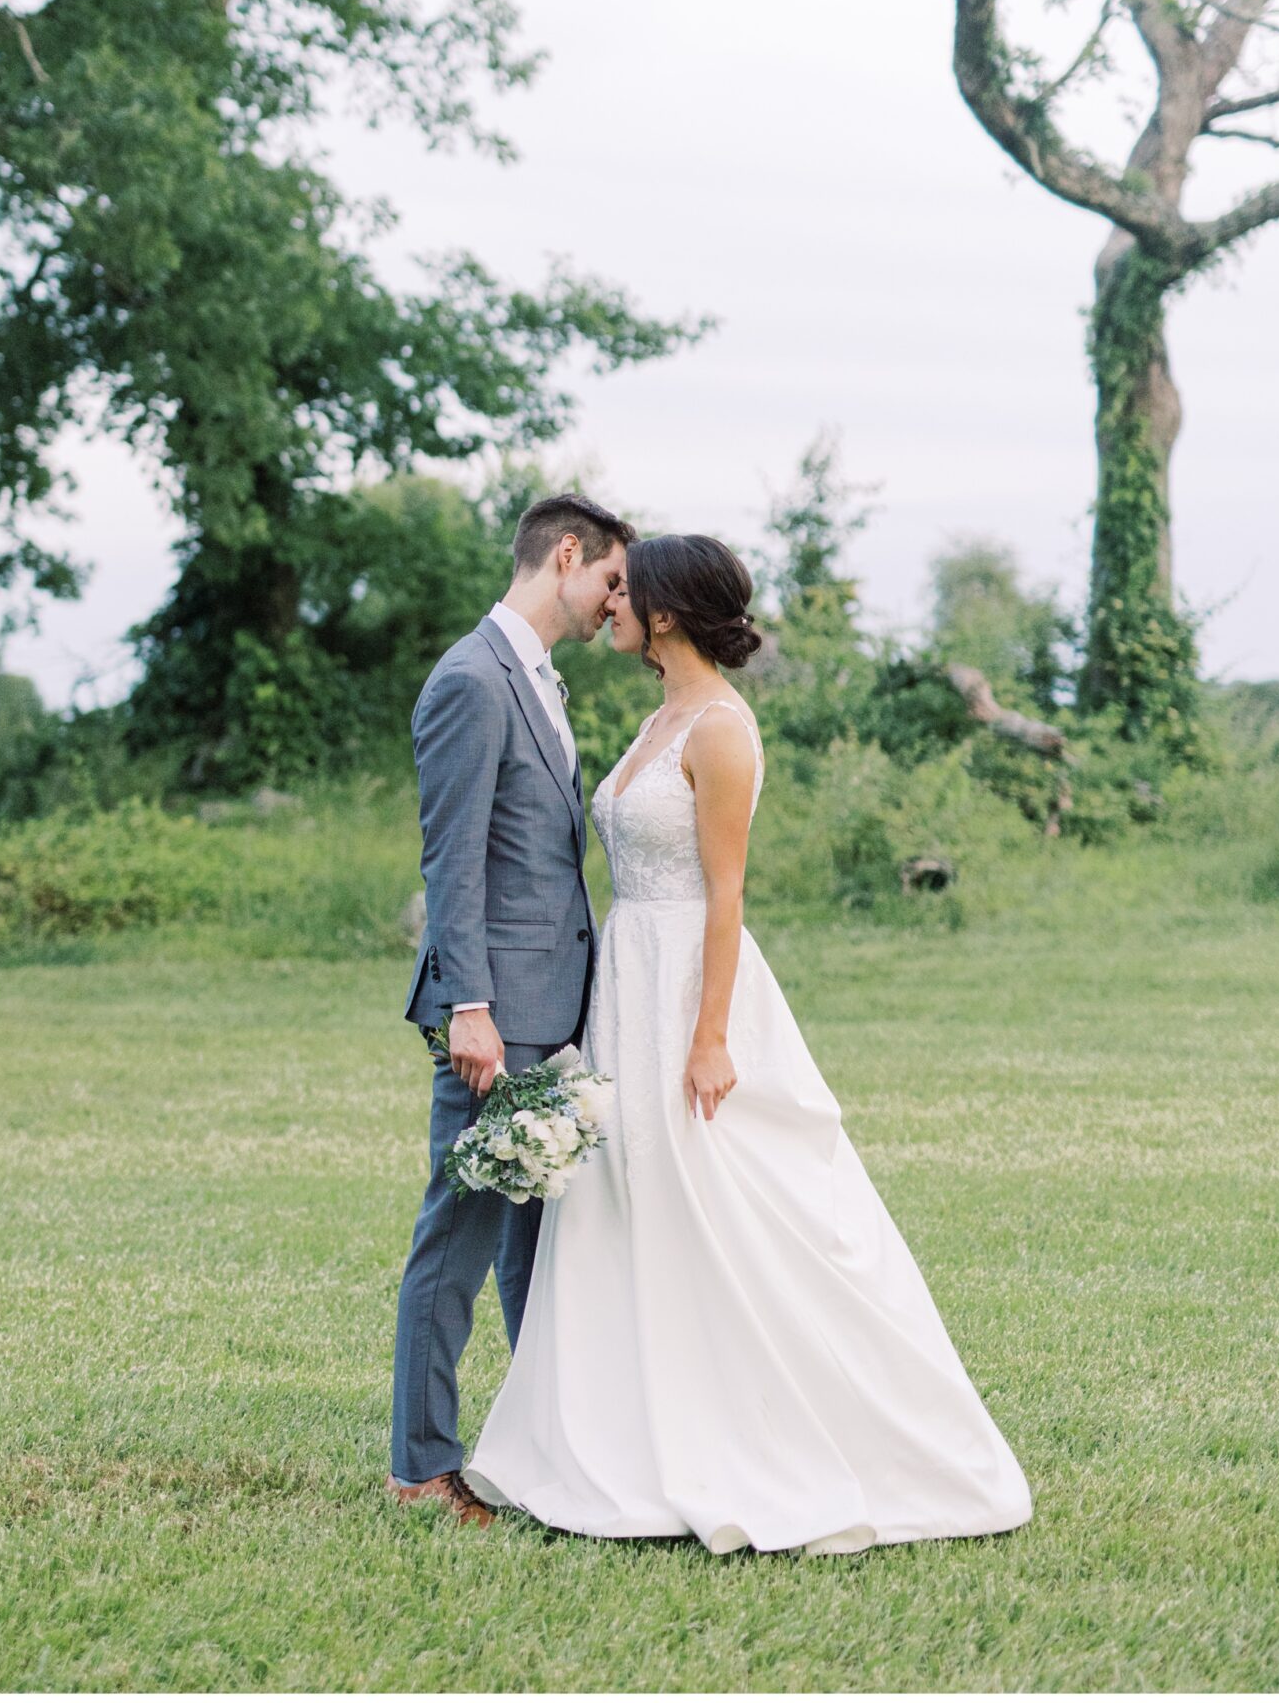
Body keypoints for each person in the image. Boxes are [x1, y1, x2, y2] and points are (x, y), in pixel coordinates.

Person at [463, 533, 1033, 1554]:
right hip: (626, 982)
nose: (608, 604)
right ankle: (624, 1434)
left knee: (720, 1197)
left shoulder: (721, 728)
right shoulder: (657, 718)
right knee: (630, 1201)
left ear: (666, 613)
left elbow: (725, 893)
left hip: (687, 982)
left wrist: (710, 1037)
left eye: (625, 593)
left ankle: (799, 1432)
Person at [385, 492, 634, 1528]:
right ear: (565, 555)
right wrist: (469, 1005)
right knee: (458, 1235)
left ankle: (547, 1453)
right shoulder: (471, 678)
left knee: (536, 1248)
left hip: (552, 1005)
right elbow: (451, 862)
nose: (615, 601)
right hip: (496, 1013)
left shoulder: (534, 677)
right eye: (611, 579)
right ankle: (420, 1466)